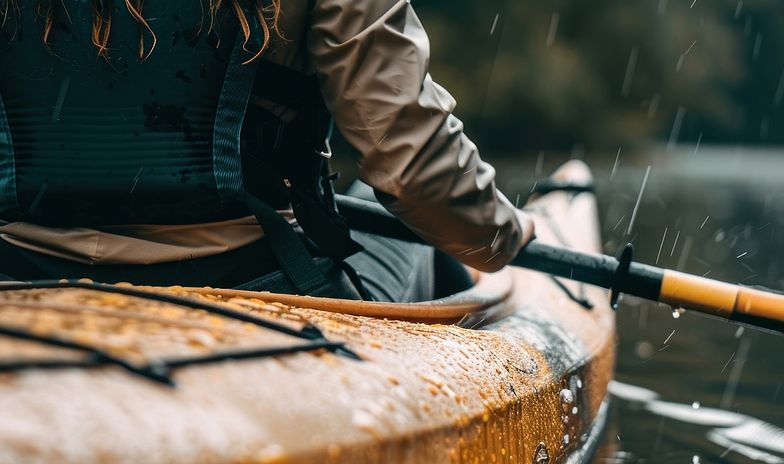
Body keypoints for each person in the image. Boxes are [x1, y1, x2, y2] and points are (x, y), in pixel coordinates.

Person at [0, 1, 535, 302]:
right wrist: (505, 235)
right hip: (255, 281)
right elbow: (420, 178)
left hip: (17, 273)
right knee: (428, 238)